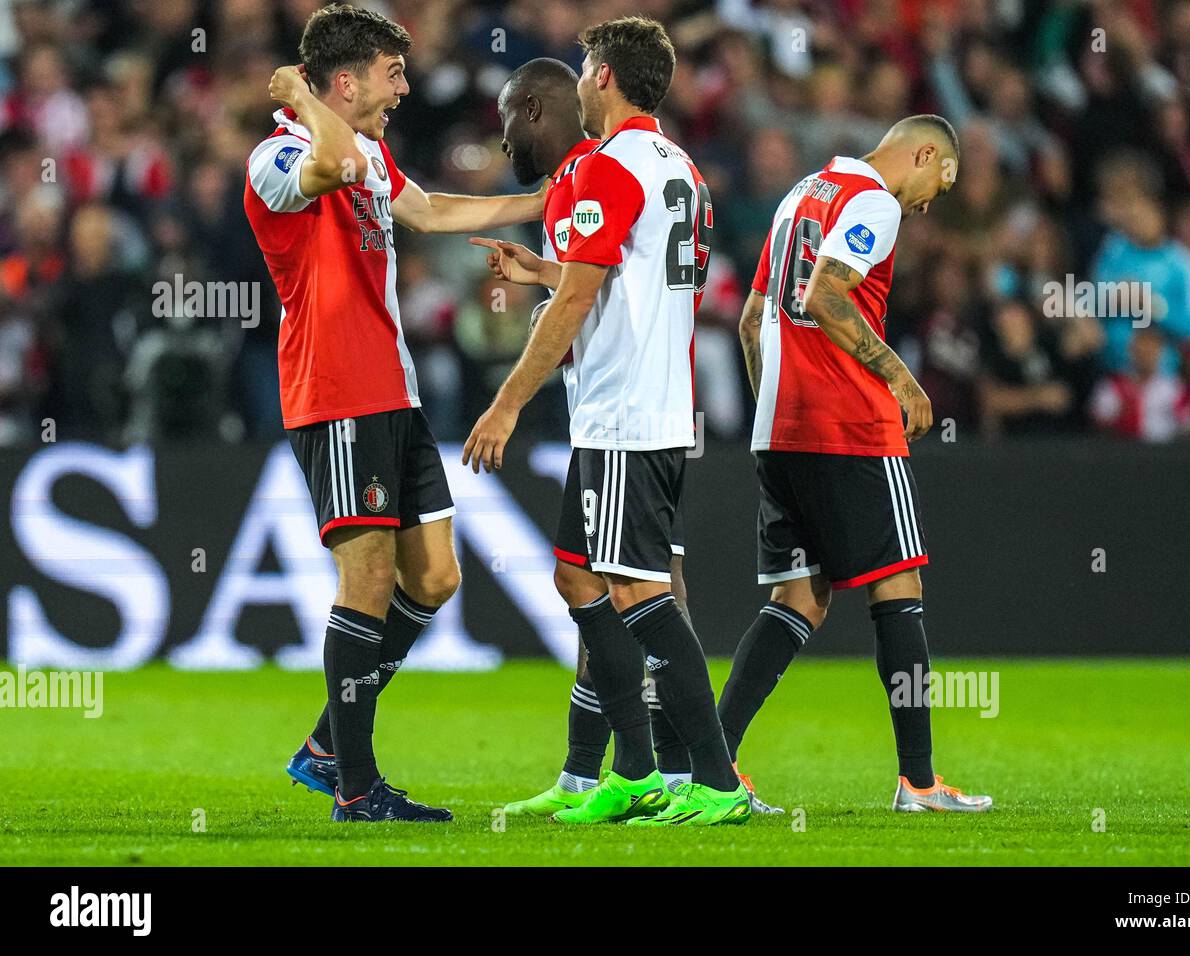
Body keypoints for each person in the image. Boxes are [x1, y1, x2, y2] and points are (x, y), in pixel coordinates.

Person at [243, 3, 544, 823]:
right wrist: (302, 103)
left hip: (394, 391)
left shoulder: (368, 151)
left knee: (435, 577)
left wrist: (538, 201)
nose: (404, 89)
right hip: (334, 391)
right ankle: (356, 787)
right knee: (368, 578)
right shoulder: (278, 155)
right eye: (390, 73)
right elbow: (329, 164)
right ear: (343, 82)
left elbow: (431, 211)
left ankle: (323, 745)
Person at [463, 16, 750, 827]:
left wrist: (507, 401)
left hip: (625, 409)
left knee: (638, 594)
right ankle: (620, 771)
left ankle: (717, 780)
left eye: (588, 67)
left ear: (603, 78)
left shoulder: (608, 167)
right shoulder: (677, 165)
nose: (582, 78)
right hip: (640, 405)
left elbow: (585, 297)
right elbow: (622, 277)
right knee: (579, 578)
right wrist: (544, 269)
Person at [719, 115, 993, 812]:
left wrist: (774, 409)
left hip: (779, 426)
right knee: (898, 588)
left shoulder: (801, 193)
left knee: (798, 598)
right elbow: (826, 294)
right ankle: (920, 782)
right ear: (923, 152)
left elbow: (755, 317)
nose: (931, 201)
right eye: (939, 181)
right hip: (850, 425)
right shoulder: (871, 199)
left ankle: (713, 768)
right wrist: (901, 378)